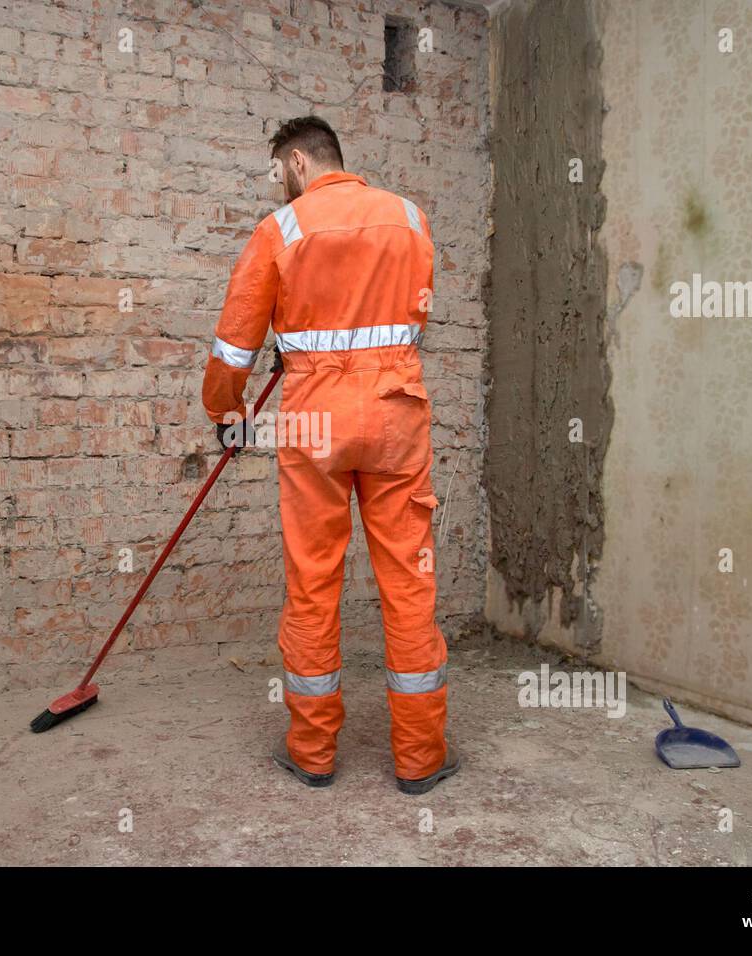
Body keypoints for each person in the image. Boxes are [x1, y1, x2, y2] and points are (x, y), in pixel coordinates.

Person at [200, 116, 458, 795]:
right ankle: (420, 758)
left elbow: (234, 344)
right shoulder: (410, 218)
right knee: (408, 580)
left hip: (316, 418)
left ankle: (313, 753)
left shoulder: (281, 230)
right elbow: (413, 318)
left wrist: (227, 414)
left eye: (278, 172)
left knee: (314, 581)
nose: (279, 185)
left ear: (296, 162)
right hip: (397, 414)